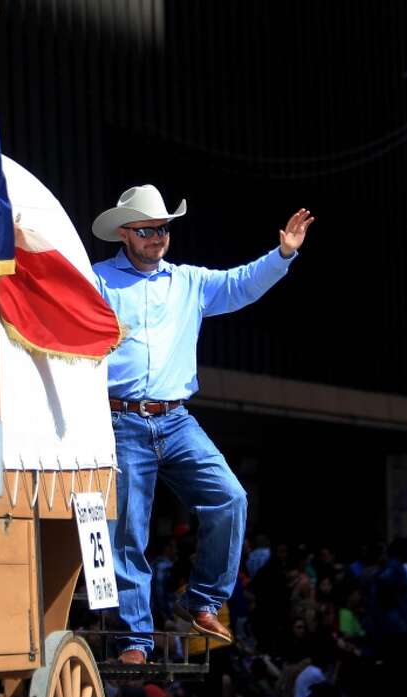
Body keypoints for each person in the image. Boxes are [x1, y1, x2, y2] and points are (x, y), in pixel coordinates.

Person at [88, 184, 314, 665]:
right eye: (147, 230)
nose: (157, 237)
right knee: (127, 529)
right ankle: (135, 639)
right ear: (125, 233)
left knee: (229, 498)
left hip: (175, 418)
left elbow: (239, 285)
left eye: (163, 228)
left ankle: (204, 601)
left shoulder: (187, 281)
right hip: (120, 417)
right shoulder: (99, 280)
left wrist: (282, 255)